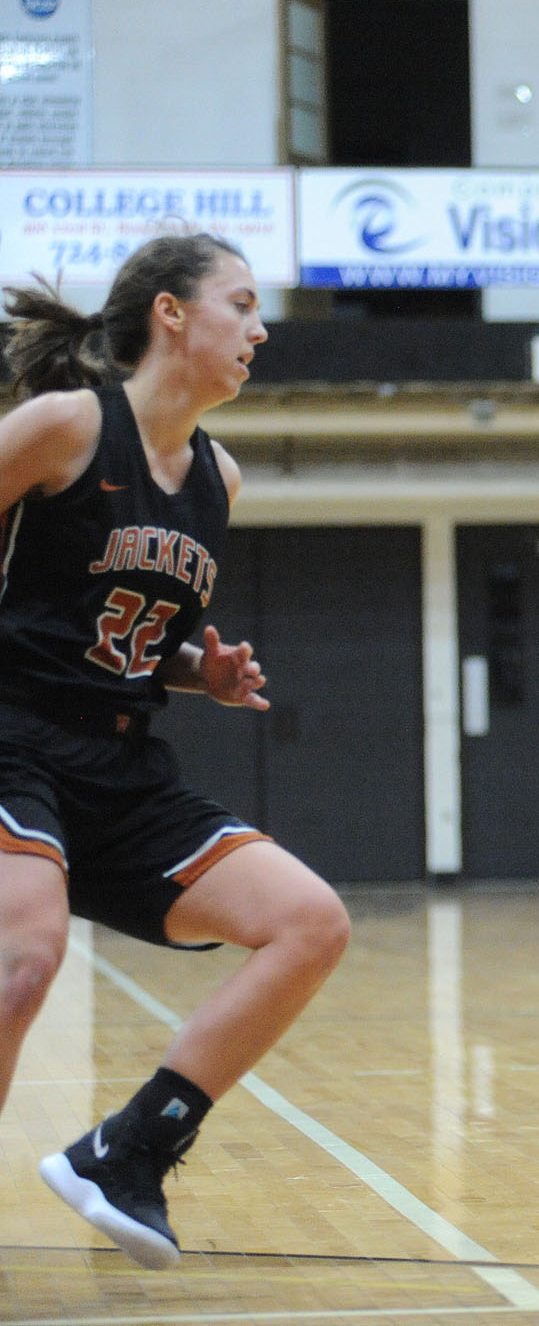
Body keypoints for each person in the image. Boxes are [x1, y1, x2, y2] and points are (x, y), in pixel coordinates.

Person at [0, 233, 351, 1270]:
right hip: (14, 737)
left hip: (122, 763)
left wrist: (203, 665)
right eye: (240, 304)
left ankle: (130, 1149)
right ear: (168, 312)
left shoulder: (217, 478)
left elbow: (128, 623)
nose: (259, 327)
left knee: (308, 922)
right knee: (25, 959)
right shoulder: (68, 425)